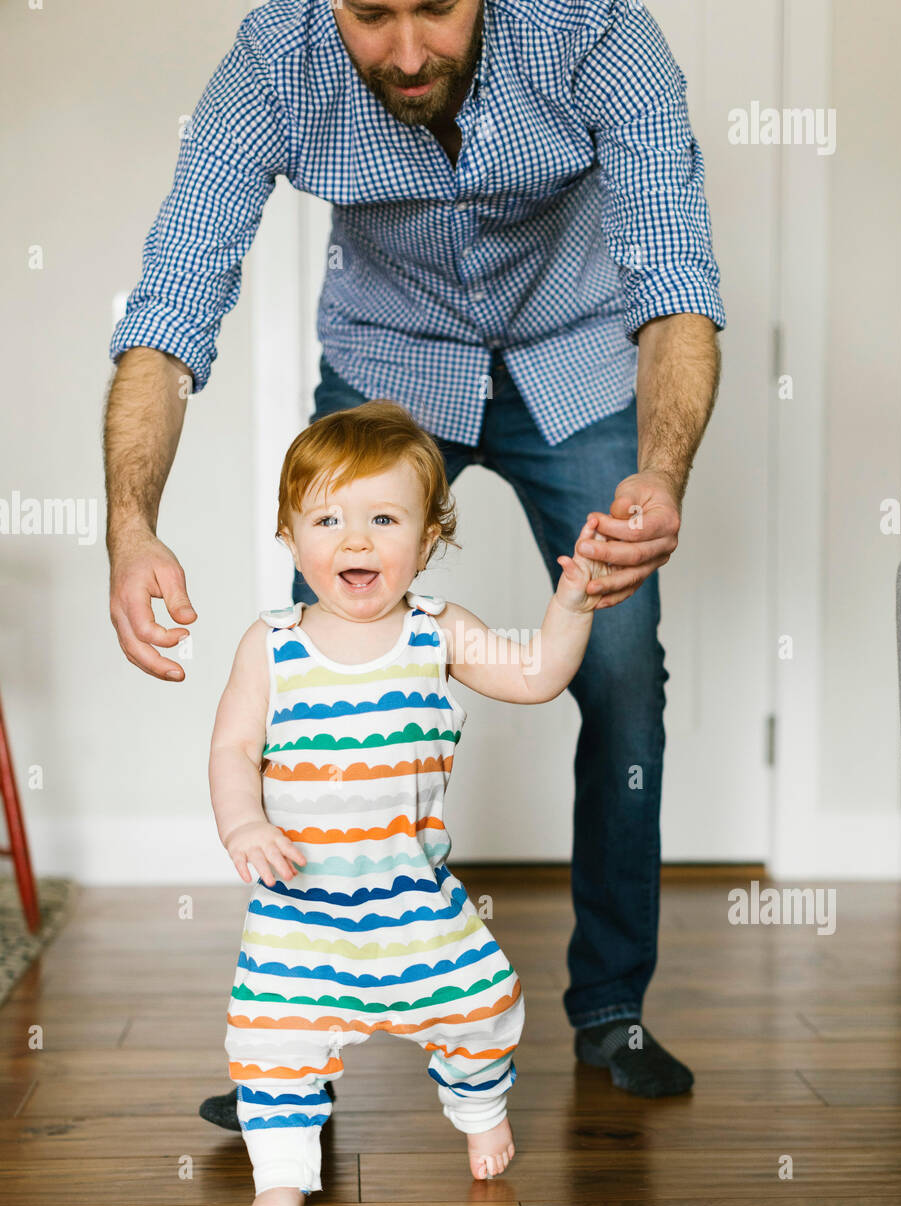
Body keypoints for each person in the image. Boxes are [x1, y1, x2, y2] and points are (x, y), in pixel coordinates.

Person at [104, 0, 725, 1127]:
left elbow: (675, 281)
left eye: (434, 8)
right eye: (368, 14)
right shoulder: (276, 56)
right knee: (309, 693)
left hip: (578, 362)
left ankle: (609, 1008)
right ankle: (297, 1048)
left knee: (622, 675)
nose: (402, 53)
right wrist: (130, 523)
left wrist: (661, 468)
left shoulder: (595, 32)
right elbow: (174, 295)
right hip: (387, 373)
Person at [211, 398, 606, 1206]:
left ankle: (479, 1110)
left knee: (480, 1005)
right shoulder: (271, 644)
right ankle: (280, 1176)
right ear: (290, 538)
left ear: (427, 541)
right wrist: (244, 824)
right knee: (270, 1044)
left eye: (383, 518)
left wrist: (571, 603)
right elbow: (232, 752)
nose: (354, 540)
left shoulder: (439, 633)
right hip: (299, 915)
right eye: (327, 518)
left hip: (414, 902)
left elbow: (536, 674)